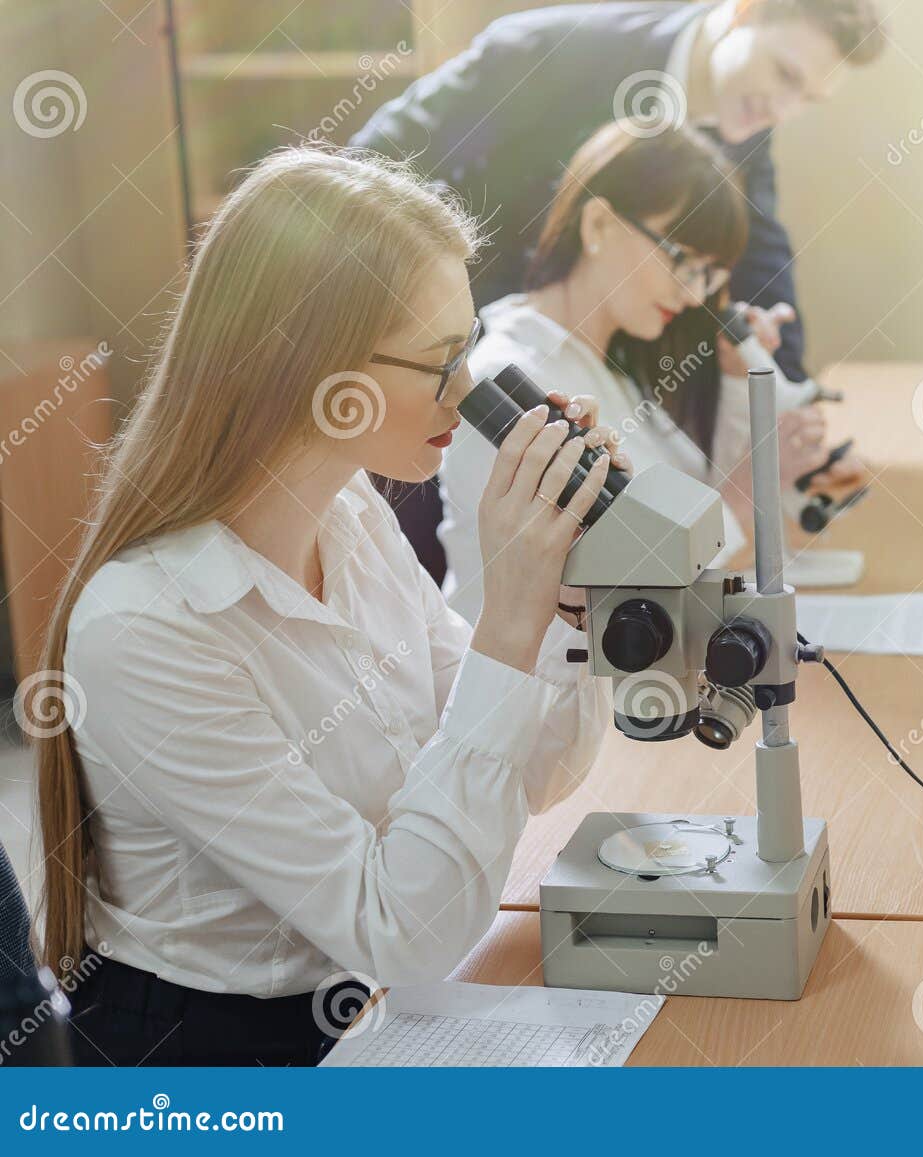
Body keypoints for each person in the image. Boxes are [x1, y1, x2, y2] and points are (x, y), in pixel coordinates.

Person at [31, 146, 625, 1066]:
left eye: (469, 348)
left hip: (368, 1003)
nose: (469, 393)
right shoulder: (146, 627)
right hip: (210, 1052)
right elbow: (404, 929)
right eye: (439, 360)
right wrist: (510, 615)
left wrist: (566, 605)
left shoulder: (351, 516)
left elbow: (536, 774)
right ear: (308, 369)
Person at [350, 0, 886, 384]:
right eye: (785, 75)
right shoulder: (558, 50)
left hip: (577, 376)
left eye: (808, 100)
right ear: (745, 10)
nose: (783, 110)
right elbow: (373, 161)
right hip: (431, 343)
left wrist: (789, 395)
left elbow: (761, 256)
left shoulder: (749, 117)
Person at [441, 120, 844, 619]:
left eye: (710, 273)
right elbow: (639, 588)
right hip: (547, 687)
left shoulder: (613, 364)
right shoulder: (513, 383)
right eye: (682, 259)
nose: (694, 294)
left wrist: (738, 379)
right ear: (598, 225)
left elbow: (699, 501)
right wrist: (750, 488)